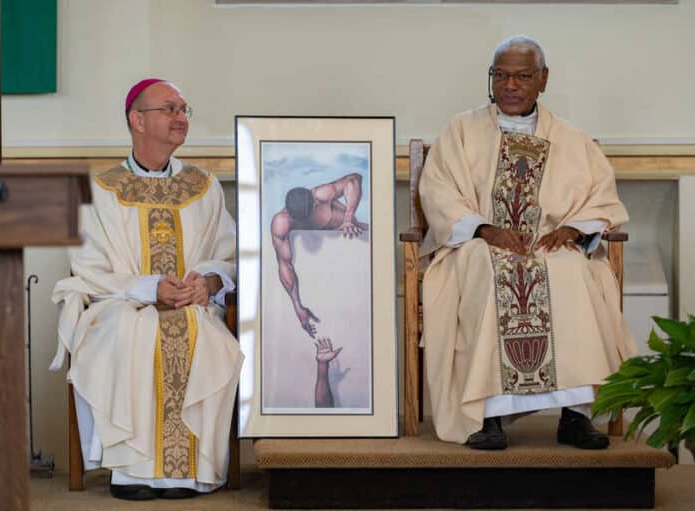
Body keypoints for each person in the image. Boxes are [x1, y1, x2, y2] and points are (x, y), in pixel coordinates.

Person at [419, 36, 636, 451]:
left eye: (521, 76)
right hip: (480, 242)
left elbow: (602, 198)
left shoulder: (572, 139)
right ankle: (489, 416)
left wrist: (573, 230)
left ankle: (575, 416)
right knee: (490, 271)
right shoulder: (461, 130)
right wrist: (484, 229)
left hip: (549, 243)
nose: (510, 85)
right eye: (500, 75)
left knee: (572, 270)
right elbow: (439, 191)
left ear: (543, 79)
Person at [50, 78, 243, 500]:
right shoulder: (98, 190)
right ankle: (131, 471)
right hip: (121, 304)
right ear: (137, 120)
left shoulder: (204, 186)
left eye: (183, 109)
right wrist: (149, 288)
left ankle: (187, 473)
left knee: (200, 334)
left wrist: (207, 282)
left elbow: (228, 254)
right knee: (130, 331)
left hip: (193, 306)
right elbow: (88, 269)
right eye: (169, 108)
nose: (180, 117)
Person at [270, 174, 368, 337]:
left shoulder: (321, 195)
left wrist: (348, 217)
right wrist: (298, 307)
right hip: (327, 271)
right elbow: (284, 264)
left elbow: (354, 180)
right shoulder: (282, 222)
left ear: (314, 204)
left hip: (354, 238)